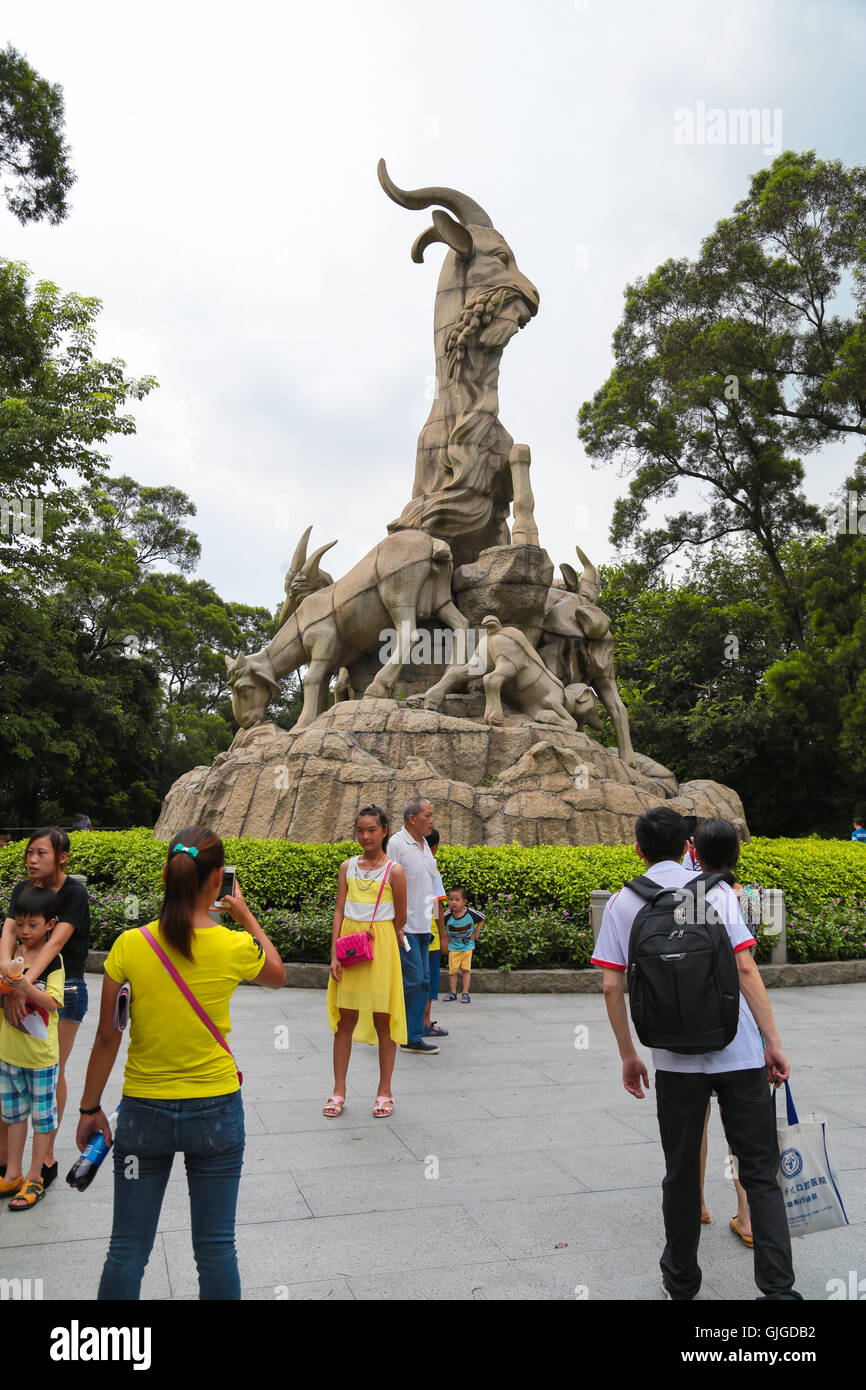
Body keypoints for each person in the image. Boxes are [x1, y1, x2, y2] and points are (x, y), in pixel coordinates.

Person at [591, 804, 801, 1300]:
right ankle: (778, 1290)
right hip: (740, 1053)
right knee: (759, 1172)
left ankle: (682, 1282)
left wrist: (629, 1054)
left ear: (638, 849)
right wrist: (772, 1042)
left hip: (674, 1061)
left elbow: (609, 986)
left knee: (681, 1173)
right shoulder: (714, 892)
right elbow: (747, 970)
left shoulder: (625, 902)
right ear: (688, 847)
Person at [75, 825, 286, 1300]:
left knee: (126, 1249)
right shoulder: (233, 946)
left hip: (143, 1115)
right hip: (215, 1113)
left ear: (169, 874)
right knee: (216, 1250)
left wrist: (90, 1110)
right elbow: (277, 973)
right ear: (218, 881)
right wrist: (247, 916)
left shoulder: (131, 945)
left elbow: (108, 1037)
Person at [0, 828, 90, 1188]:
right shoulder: (25, 890)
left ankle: (46, 1154)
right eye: (29, 853)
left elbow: (54, 945)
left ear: (62, 857)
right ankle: (8, 1159)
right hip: (19, 984)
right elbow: (7, 933)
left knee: (52, 1070)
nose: (32, 860)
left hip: (61, 988)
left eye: (41, 853)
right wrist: (9, 977)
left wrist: (21, 983)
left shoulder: (73, 893)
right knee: (12, 1068)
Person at [691, 817, 760, 1247]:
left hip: (688, 1026)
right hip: (733, 1027)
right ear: (736, 855)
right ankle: (747, 1217)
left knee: (695, 1121)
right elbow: (746, 966)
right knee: (739, 1127)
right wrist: (773, 1040)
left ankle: (695, 1201)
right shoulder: (732, 895)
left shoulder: (675, 894)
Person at [325, 805, 408, 1117]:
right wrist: (334, 952)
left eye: (372, 830)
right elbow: (339, 910)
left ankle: (385, 1091)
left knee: (383, 1019)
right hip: (348, 946)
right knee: (344, 1020)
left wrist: (380, 933)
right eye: (360, 830)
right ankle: (338, 1091)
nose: (365, 836)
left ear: (384, 831)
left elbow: (400, 916)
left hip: (381, 947)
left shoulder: (394, 870)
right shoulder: (347, 867)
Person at [0, 886, 64, 1209]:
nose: (25, 931)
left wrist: (24, 985)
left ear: (49, 925)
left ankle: (35, 1177)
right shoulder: (11, 956)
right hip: (9, 1054)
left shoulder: (52, 961)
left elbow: (52, 1003)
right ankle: (12, 1172)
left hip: (40, 1059)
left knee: (42, 1118)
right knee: (12, 1116)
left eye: (33, 925)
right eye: (20, 923)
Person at [387, 798, 440, 1055]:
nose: (432, 820)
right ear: (412, 819)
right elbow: (385, 883)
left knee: (424, 982)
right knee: (414, 979)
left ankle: (412, 1034)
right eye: (428, 815)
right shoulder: (397, 843)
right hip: (404, 927)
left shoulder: (424, 846)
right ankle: (396, 1029)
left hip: (423, 926)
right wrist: (396, 924)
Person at [422, 830, 448, 1038]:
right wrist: (444, 934)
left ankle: (411, 1022)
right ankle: (425, 1022)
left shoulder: (404, 866)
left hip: (410, 933)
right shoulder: (432, 869)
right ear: (435, 847)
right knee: (429, 982)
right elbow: (437, 905)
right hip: (429, 935)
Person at [442, 886, 485, 1002]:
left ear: (464, 901)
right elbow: (440, 923)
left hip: (467, 947)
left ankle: (465, 993)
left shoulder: (471, 913)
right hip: (453, 947)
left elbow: (483, 918)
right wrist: (444, 936)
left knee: (466, 970)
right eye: (451, 899)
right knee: (453, 971)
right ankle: (453, 993)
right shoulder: (447, 915)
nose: (453, 902)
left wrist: (477, 930)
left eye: (457, 900)